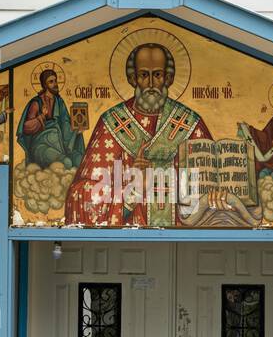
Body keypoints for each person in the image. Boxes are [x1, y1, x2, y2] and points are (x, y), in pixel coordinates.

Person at [65, 43, 211, 227]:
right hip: (128, 235)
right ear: (133, 78)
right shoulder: (111, 123)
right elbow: (79, 195)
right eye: (143, 75)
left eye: (157, 75)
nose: (150, 84)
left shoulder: (190, 123)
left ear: (168, 77)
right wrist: (132, 191)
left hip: (183, 237)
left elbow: (211, 185)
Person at [16, 69, 85, 169]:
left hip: (60, 145)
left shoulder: (59, 102)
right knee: (66, 163)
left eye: (55, 81)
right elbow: (26, 127)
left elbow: (65, 123)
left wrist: (76, 132)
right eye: (51, 81)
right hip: (41, 146)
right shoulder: (37, 102)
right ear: (44, 85)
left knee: (80, 160)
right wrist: (42, 116)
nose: (55, 84)